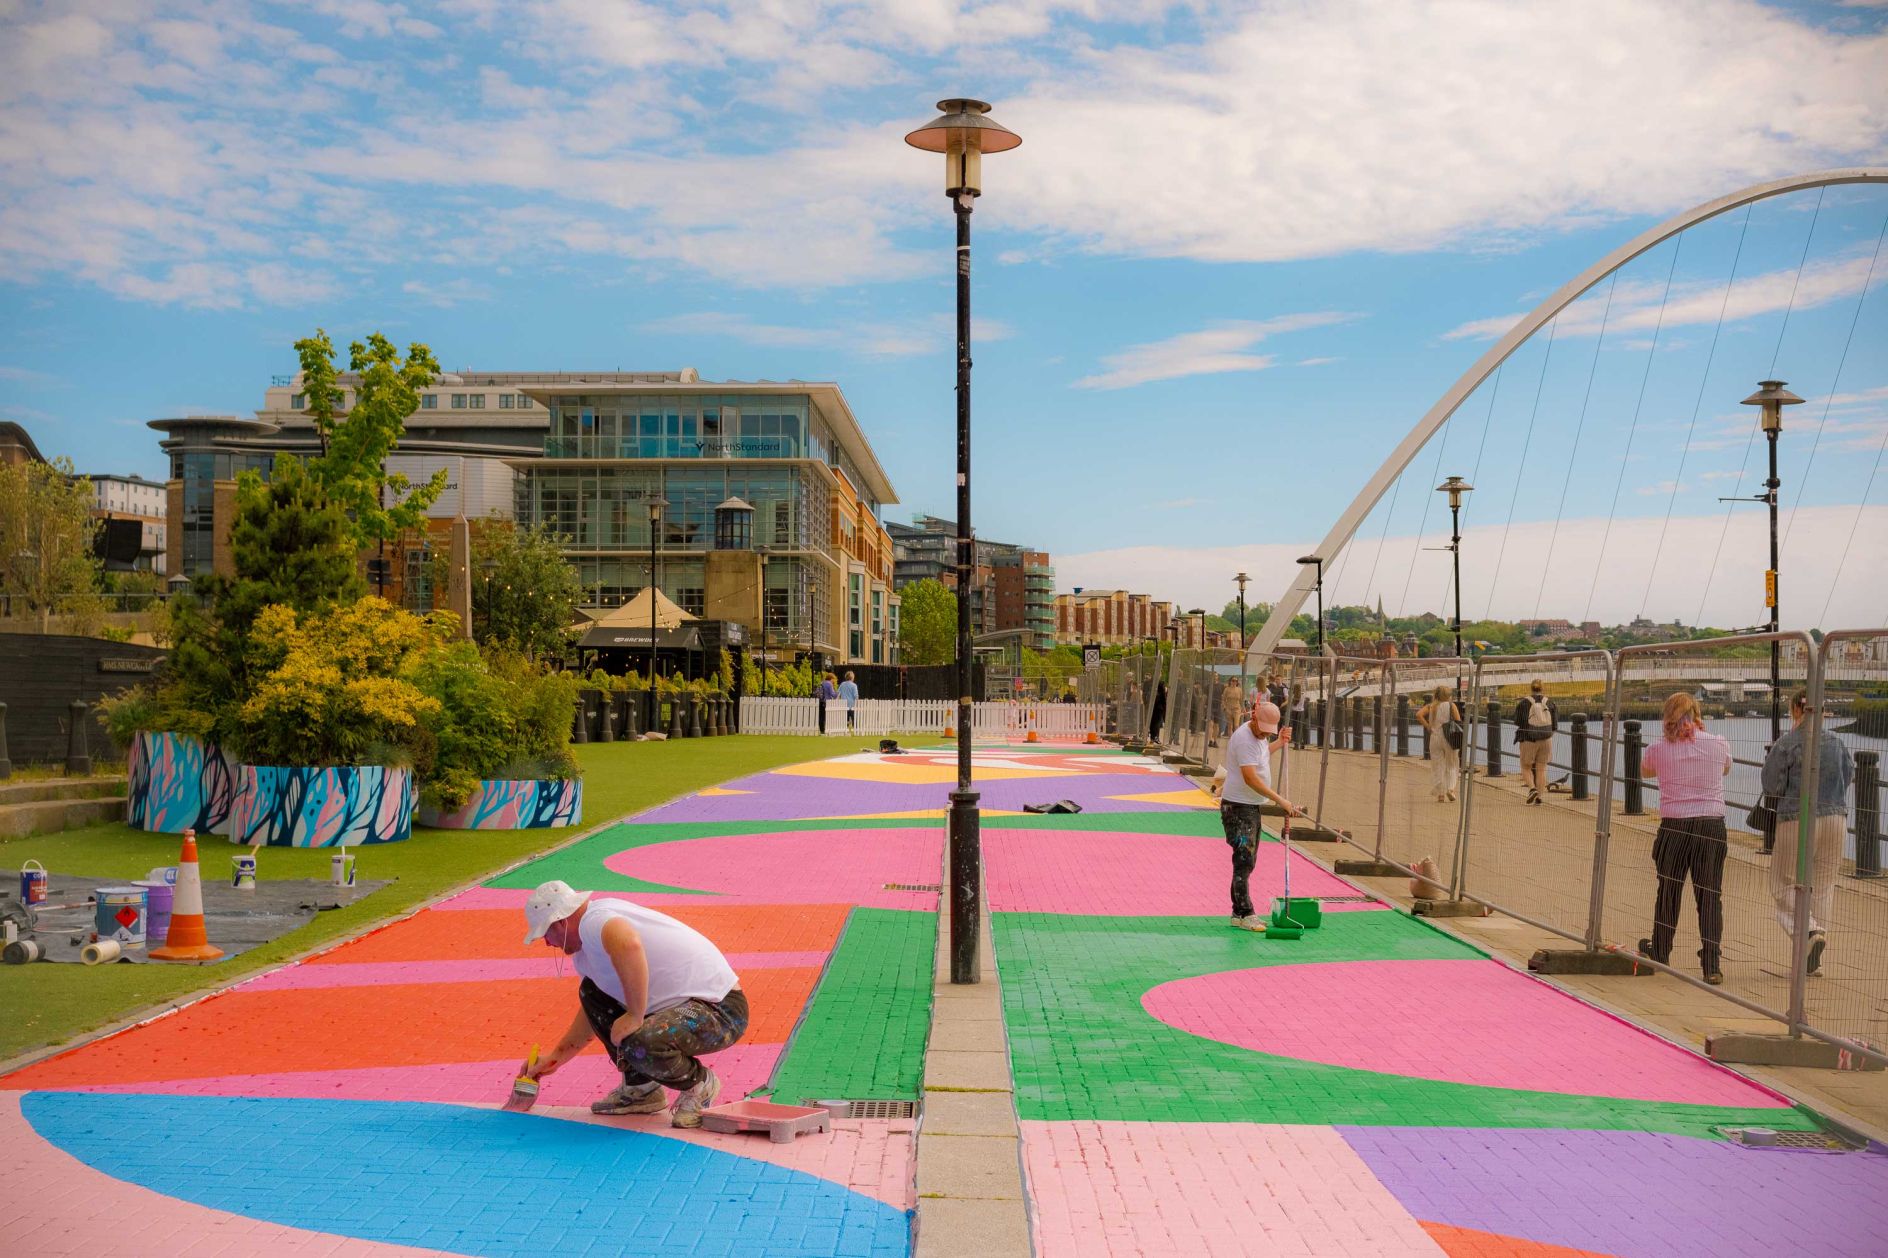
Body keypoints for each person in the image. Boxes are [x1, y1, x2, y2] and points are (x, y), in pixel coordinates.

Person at [518, 880, 747, 1125]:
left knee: (642, 1040)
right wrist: (554, 1058)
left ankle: (700, 1084)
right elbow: (591, 1015)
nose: (547, 943)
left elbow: (629, 943)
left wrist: (635, 1015)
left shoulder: (594, 921)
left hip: (721, 1011)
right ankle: (642, 1088)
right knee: (591, 992)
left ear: (562, 922)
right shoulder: (586, 953)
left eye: (546, 933)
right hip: (694, 1006)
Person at [1639, 693, 1732, 985]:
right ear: (1697, 713)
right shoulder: (1718, 743)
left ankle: (1662, 951)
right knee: (1709, 895)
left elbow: (1645, 771)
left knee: (1669, 890)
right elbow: (1725, 768)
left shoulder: (1658, 749)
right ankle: (1711, 963)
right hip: (1711, 826)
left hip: (1675, 826)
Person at [1760, 690, 1855, 977]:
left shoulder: (1788, 743)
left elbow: (1771, 786)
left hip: (1796, 818)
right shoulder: (1837, 743)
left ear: (1794, 710)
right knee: (1823, 886)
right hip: (1835, 817)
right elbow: (1848, 775)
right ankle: (1812, 959)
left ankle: (1811, 930)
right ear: (1823, 711)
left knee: (1783, 884)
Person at [1219, 698, 1303, 931]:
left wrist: (1279, 742)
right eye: (1263, 730)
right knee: (1243, 859)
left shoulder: (1259, 738)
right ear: (1253, 718)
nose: (1264, 735)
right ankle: (1245, 912)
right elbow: (1250, 777)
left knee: (1248, 860)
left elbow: (1262, 755)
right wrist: (1280, 800)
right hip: (1237, 808)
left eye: (1270, 733)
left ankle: (1238, 912)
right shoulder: (1244, 738)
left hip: (1250, 807)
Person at [1513, 680, 1557, 805]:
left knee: (1526, 766)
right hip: (1546, 739)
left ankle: (1532, 789)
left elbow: (1518, 722)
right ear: (1542, 688)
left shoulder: (1524, 703)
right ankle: (1540, 796)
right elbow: (1554, 725)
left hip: (1528, 739)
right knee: (1541, 768)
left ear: (1531, 688)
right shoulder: (1549, 702)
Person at [1415, 685, 1461, 803]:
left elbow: (1418, 715)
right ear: (1447, 695)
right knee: (1452, 763)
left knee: (1437, 765)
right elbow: (1458, 721)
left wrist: (1428, 726)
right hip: (1449, 738)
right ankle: (1450, 789)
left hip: (1435, 737)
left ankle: (1440, 794)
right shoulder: (1451, 705)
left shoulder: (1431, 706)